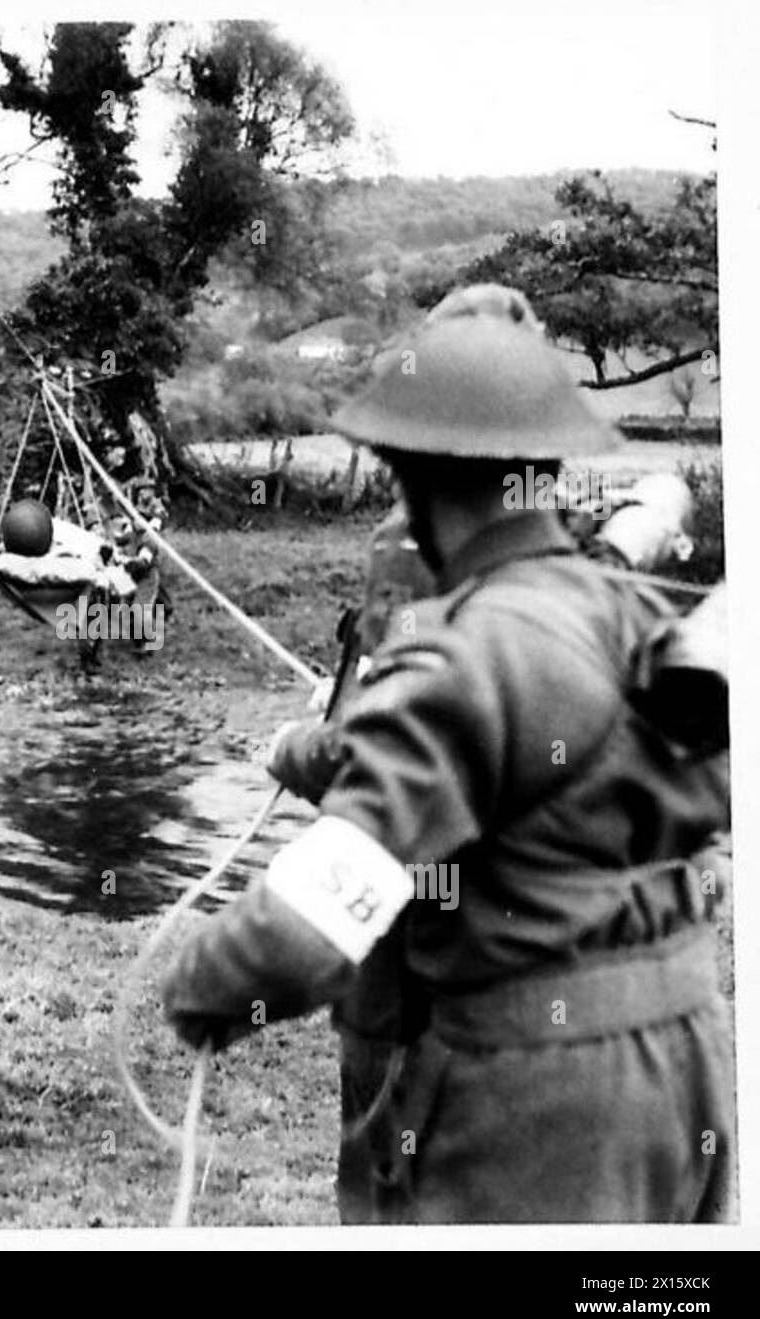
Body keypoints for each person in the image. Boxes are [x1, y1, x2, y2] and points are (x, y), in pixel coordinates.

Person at [161, 286, 734, 1223]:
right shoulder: (633, 612)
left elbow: (311, 925)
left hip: (537, 1105)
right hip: (685, 1069)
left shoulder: (458, 660)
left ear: (411, 477)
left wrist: (206, 983)